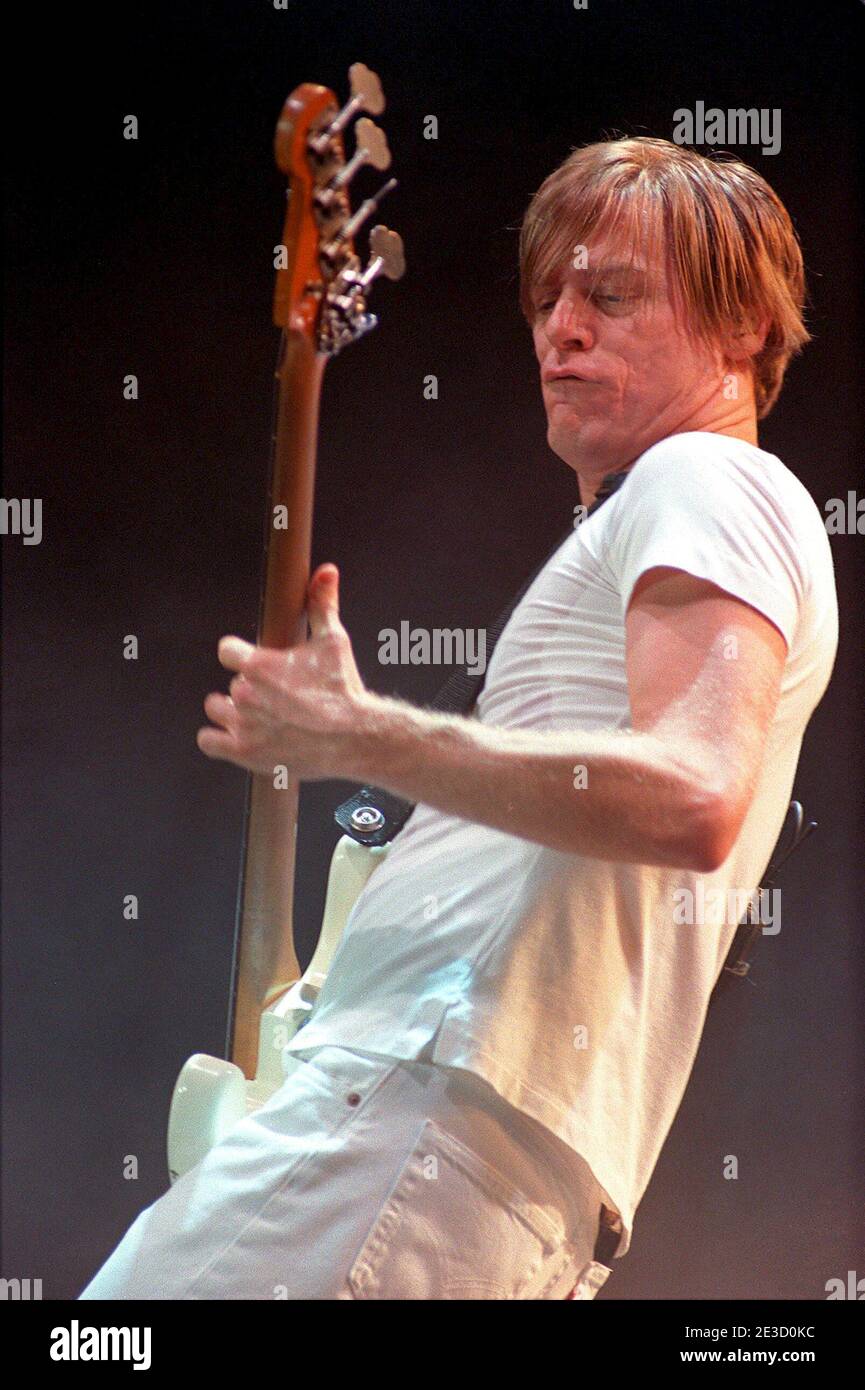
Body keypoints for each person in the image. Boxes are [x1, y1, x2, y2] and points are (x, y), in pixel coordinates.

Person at [79, 136, 838, 1300]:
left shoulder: (709, 480)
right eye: (548, 297)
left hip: (421, 1110)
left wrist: (354, 732)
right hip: (466, 1152)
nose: (561, 327)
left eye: (612, 294)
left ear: (743, 329)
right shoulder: (659, 515)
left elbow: (692, 794)